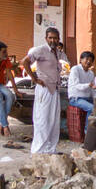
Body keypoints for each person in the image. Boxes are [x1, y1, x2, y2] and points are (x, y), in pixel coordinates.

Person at [26, 26, 66, 155]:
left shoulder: (57, 52)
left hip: (54, 89)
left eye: (55, 38)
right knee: (42, 119)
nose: (53, 40)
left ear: (58, 39)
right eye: (50, 38)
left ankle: (50, 149)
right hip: (44, 88)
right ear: (46, 38)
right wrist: (34, 79)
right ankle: (39, 151)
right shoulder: (41, 50)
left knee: (53, 120)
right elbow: (25, 62)